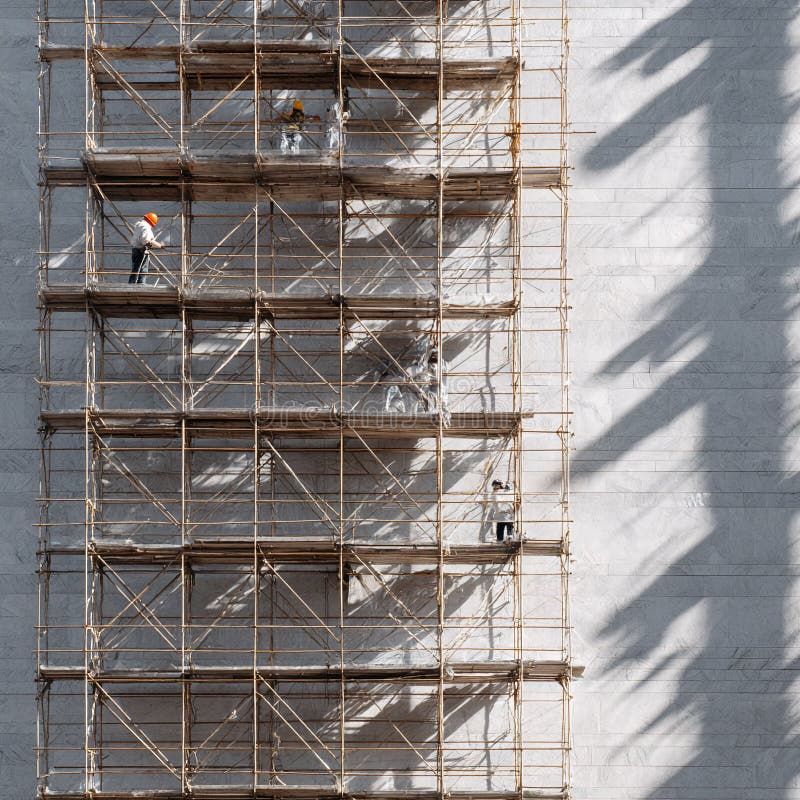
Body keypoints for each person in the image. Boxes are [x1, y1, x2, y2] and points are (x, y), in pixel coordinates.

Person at [128, 212, 163, 285]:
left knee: (136, 268)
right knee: (142, 269)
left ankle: (132, 284)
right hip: (141, 250)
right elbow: (145, 241)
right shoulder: (145, 226)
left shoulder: (139, 225)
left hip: (136, 249)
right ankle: (140, 284)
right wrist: (158, 245)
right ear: (151, 222)